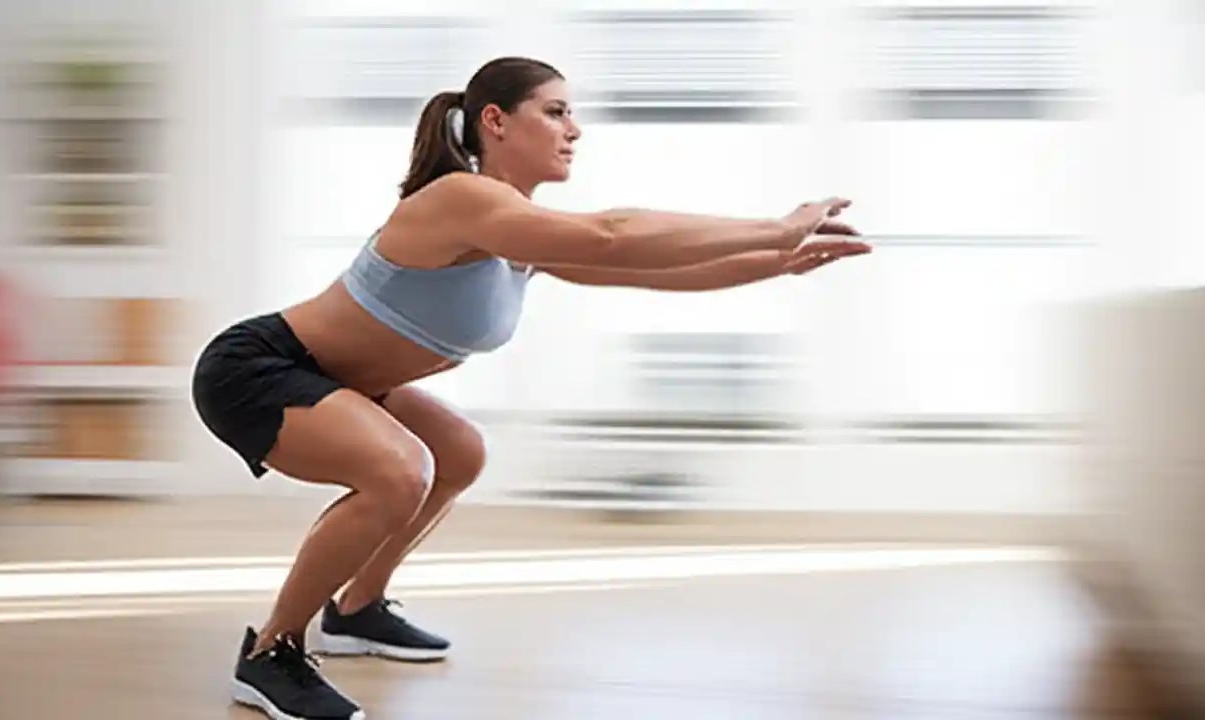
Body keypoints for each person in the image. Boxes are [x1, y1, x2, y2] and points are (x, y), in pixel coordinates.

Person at [191, 56, 872, 720]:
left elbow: (646, 268)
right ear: (495, 120)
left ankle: (356, 610)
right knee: (400, 472)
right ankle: (273, 650)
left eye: (572, 114)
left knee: (459, 453)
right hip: (258, 369)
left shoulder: (515, 232)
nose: (574, 129)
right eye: (555, 112)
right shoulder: (461, 199)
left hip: (337, 377)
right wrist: (775, 225)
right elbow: (612, 232)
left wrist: (778, 261)